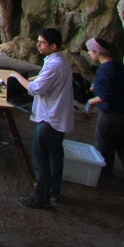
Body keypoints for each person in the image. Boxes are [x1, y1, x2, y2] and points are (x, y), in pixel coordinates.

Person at [8, 28, 74, 208]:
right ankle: (54, 191)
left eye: (42, 43)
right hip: (57, 116)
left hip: (50, 117)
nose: (38, 45)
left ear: (53, 46)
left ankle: (40, 196)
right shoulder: (59, 60)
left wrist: (17, 76)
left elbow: (34, 89)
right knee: (55, 155)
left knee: (40, 156)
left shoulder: (54, 64)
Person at [85, 37, 124, 185]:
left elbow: (106, 96)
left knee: (103, 142)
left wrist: (90, 101)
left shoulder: (104, 69)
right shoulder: (116, 65)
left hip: (113, 114)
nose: (88, 53)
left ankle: (104, 175)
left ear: (97, 52)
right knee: (120, 141)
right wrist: (97, 88)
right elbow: (115, 86)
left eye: (89, 51)